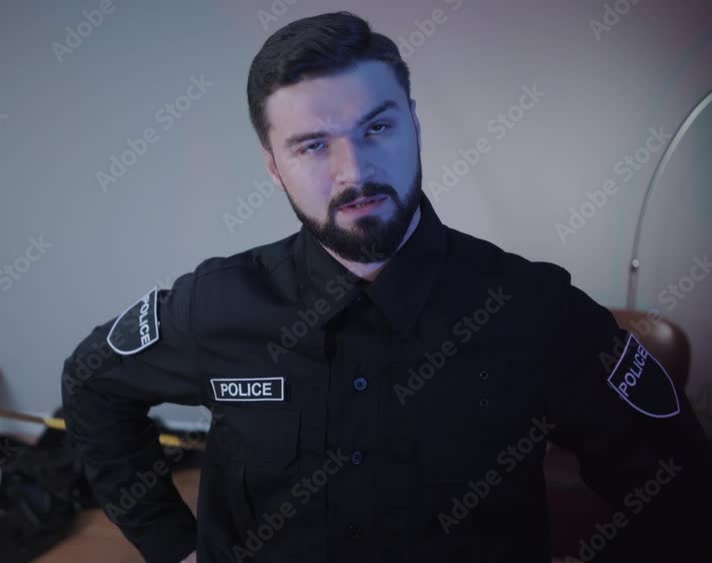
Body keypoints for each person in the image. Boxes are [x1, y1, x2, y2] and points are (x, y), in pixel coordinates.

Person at [61, 11, 712, 563]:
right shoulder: (217, 305)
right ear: (274, 167)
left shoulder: (534, 313)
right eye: (312, 145)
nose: (354, 171)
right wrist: (172, 544)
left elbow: (681, 487)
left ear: (413, 125)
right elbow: (92, 382)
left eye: (377, 127)